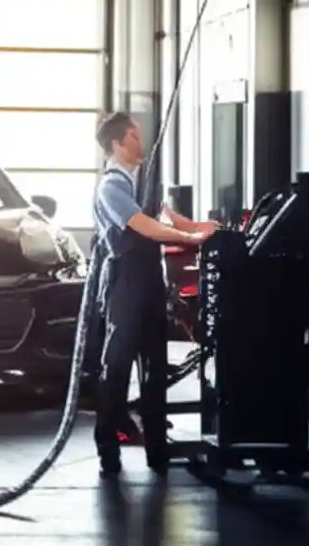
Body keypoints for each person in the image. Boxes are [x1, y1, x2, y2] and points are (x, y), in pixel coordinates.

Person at [88, 112, 218, 476]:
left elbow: (166, 218)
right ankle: (108, 451)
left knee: (156, 370)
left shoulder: (139, 183)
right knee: (117, 369)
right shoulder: (111, 186)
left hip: (149, 284)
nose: (139, 143)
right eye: (132, 137)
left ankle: (157, 452)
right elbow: (145, 227)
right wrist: (189, 239)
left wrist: (203, 227)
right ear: (117, 144)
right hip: (125, 284)